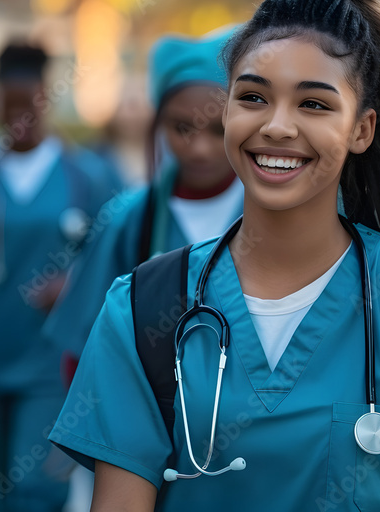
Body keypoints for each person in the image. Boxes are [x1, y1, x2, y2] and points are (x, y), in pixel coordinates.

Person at [47, 0, 380, 510]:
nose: (276, 126)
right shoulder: (142, 309)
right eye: (252, 97)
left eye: (314, 103)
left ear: (362, 129)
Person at [0, 43, 118, 511]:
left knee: (37, 492)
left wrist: (76, 284)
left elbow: (122, 260)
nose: (18, 117)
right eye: (7, 105)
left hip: (52, 369)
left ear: (46, 99)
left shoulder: (87, 177)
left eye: (28, 104)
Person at [41, 28, 243, 375]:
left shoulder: (279, 214)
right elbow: (82, 351)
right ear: (158, 125)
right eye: (182, 128)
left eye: (219, 130)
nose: (199, 148)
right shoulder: (127, 220)